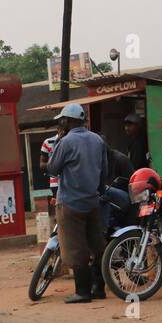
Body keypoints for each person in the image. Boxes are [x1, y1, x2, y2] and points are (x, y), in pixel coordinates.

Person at [46, 103, 110, 304]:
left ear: (67, 121)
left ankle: (82, 291)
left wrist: (57, 141)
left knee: (75, 249)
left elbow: (52, 168)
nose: (61, 123)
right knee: (97, 246)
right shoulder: (97, 140)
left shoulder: (65, 142)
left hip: (70, 203)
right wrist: (97, 192)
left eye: (62, 120)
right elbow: (104, 171)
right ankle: (99, 288)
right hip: (92, 201)